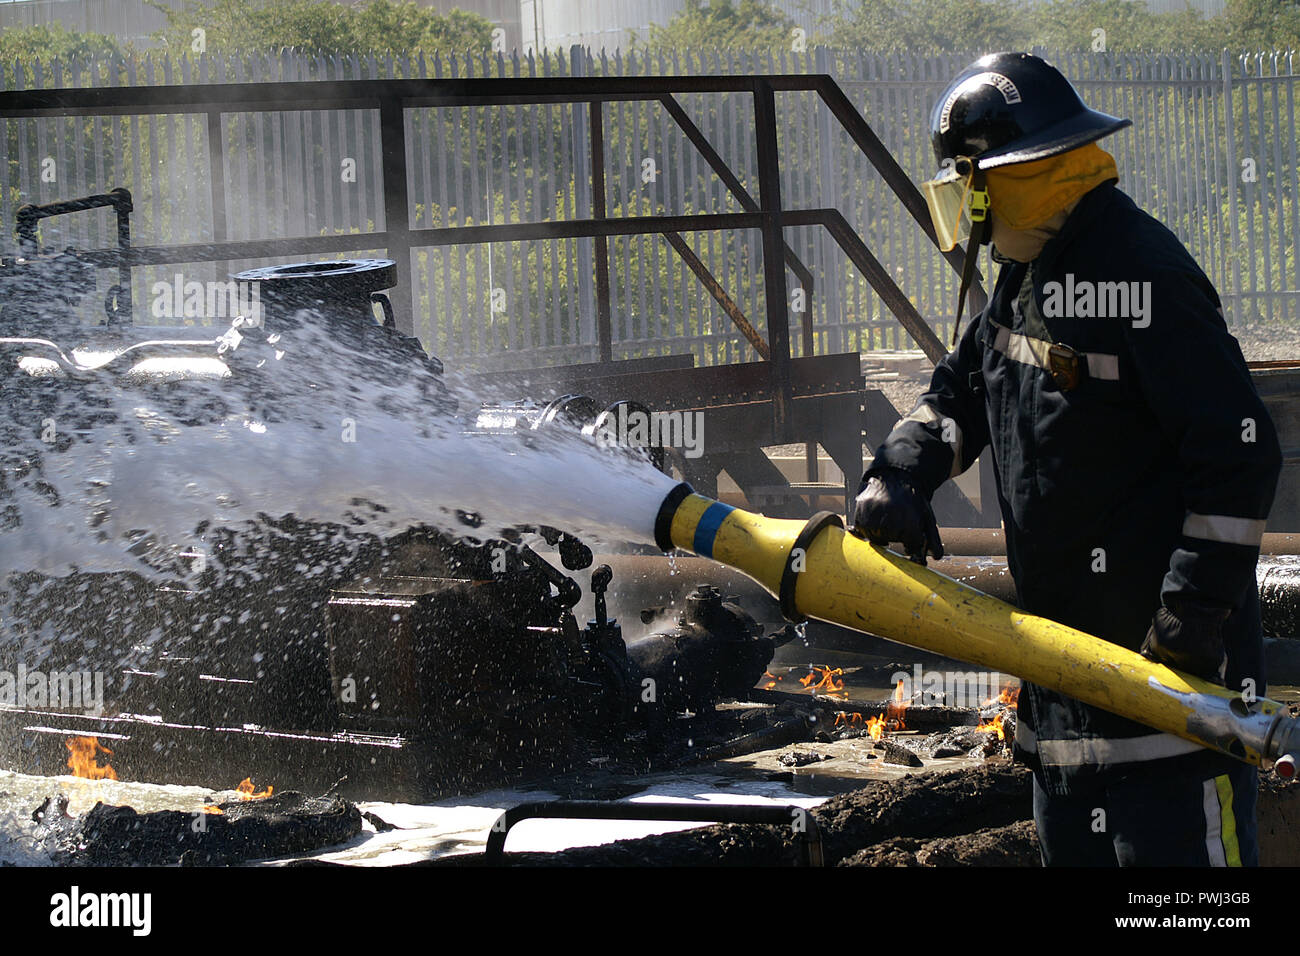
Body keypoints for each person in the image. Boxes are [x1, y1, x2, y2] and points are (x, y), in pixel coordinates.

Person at [852, 52, 1282, 866]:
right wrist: (900, 472)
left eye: (965, 183)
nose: (963, 208)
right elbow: (962, 392)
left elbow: (1239, 455)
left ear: (1003, 180)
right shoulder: (1026, 275)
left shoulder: (1142, 272)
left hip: (1169, 718)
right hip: (1062, 717)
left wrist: (1191, 613)